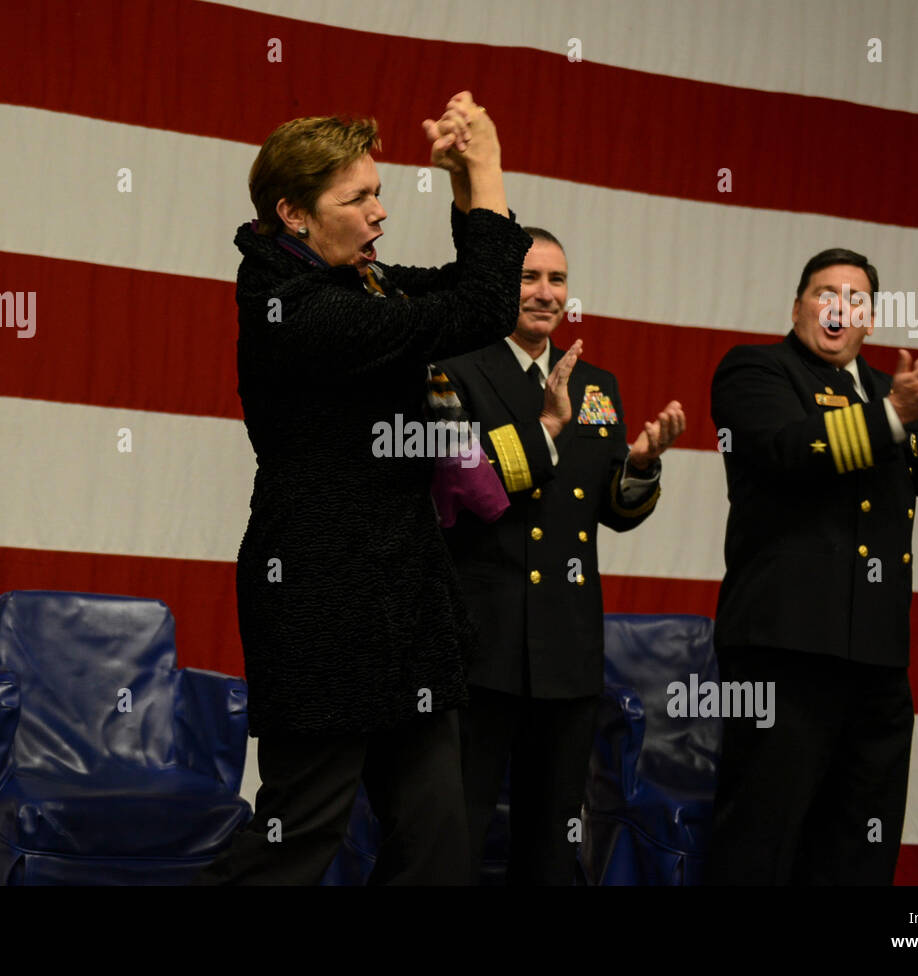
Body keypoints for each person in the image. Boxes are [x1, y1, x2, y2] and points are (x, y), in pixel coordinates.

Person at [198, 93, 531, 885]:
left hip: (406, 598)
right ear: (294, 214)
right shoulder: (295, 309)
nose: (381, 212)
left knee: (437, 844)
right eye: (358, 198)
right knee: (299, 837)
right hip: (321, 599)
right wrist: (484, 166)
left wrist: (459, 184)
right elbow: (482, 308)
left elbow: (468, 289)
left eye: (380, 191)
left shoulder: (359, 282)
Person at [706, 247, 918, 885]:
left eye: (854, 299)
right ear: (797, 306)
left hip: (879, 657)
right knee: (761, 837)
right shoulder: (755, 370)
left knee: (861, 844)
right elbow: (789, 451)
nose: (838, 308)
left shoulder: (899, 391)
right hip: (783, 651)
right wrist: (896, 416)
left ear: (870, 317)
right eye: (824, 294)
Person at [437, 229, 686, 884]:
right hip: (480, 646)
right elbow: (466, 490)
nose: (545, 294)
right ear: (501, 287)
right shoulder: (456, 371)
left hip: (566, 650)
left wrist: (640, 470)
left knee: (553, 837)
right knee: (453, 830)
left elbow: (611, 510)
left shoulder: (596, 386)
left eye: (557, 279)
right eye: (529, 278)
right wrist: (544, 426)